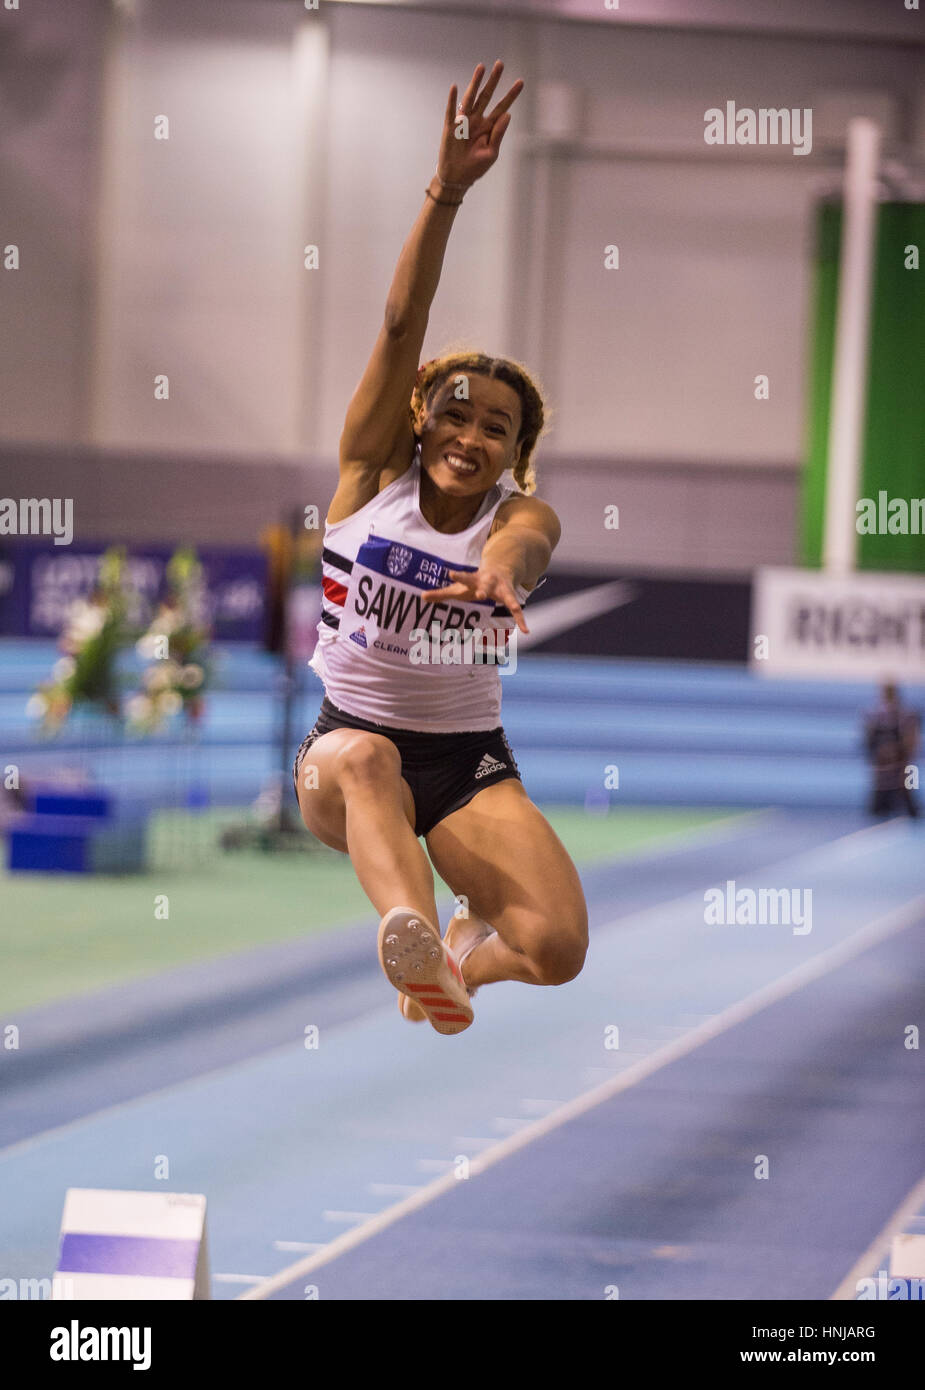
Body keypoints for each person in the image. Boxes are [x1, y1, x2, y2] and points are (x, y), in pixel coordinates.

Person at [292, 62, 588, 1035]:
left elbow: (532, 534)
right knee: (371, 756)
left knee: (556, 947)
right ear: (421, 419)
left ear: (515, 450)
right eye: (455, 412)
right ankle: (411, 930)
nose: (471, 434)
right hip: (343, 757)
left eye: (496, 426)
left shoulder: (518, 516)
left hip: (465, 766)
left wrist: (507, 566)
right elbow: (397, 324)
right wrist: (448, 189)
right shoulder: (370, 479)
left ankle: (458, 957)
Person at [863, 681, 921, 818]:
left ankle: (912, 809)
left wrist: (902, 754)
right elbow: (869, 741)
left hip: (903, 762)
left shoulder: (907, 715)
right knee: (878, 807)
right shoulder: (874, 715)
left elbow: (912, 741)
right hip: (883, 764)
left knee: (910, 782)